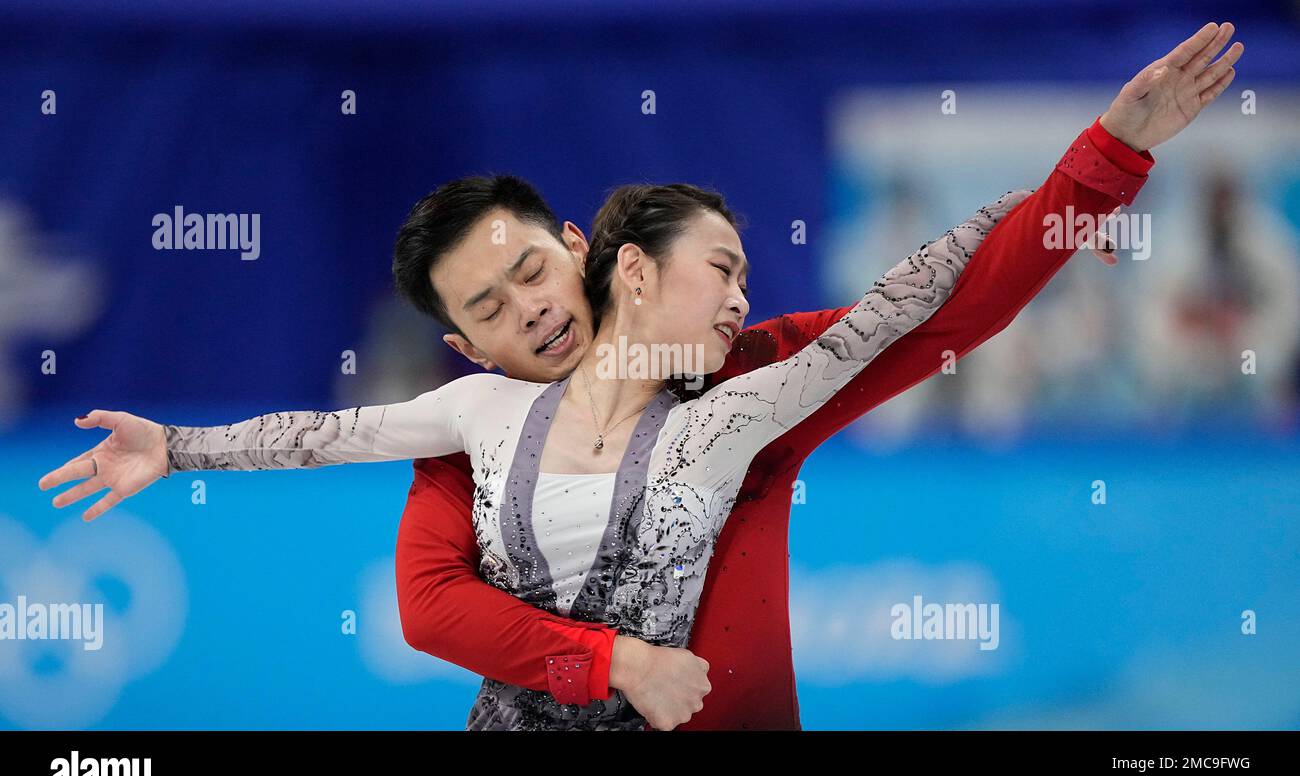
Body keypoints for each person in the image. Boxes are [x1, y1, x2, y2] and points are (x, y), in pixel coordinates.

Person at [38, 23, 1242, 730]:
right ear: (463, 345)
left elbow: (945, 306)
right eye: (488, 308)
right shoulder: (468, 436)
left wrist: (1107, 158)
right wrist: (618, 665)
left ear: (579, 250)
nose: (530, 312)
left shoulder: (756, 372)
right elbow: (431, 609)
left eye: (528, 271)